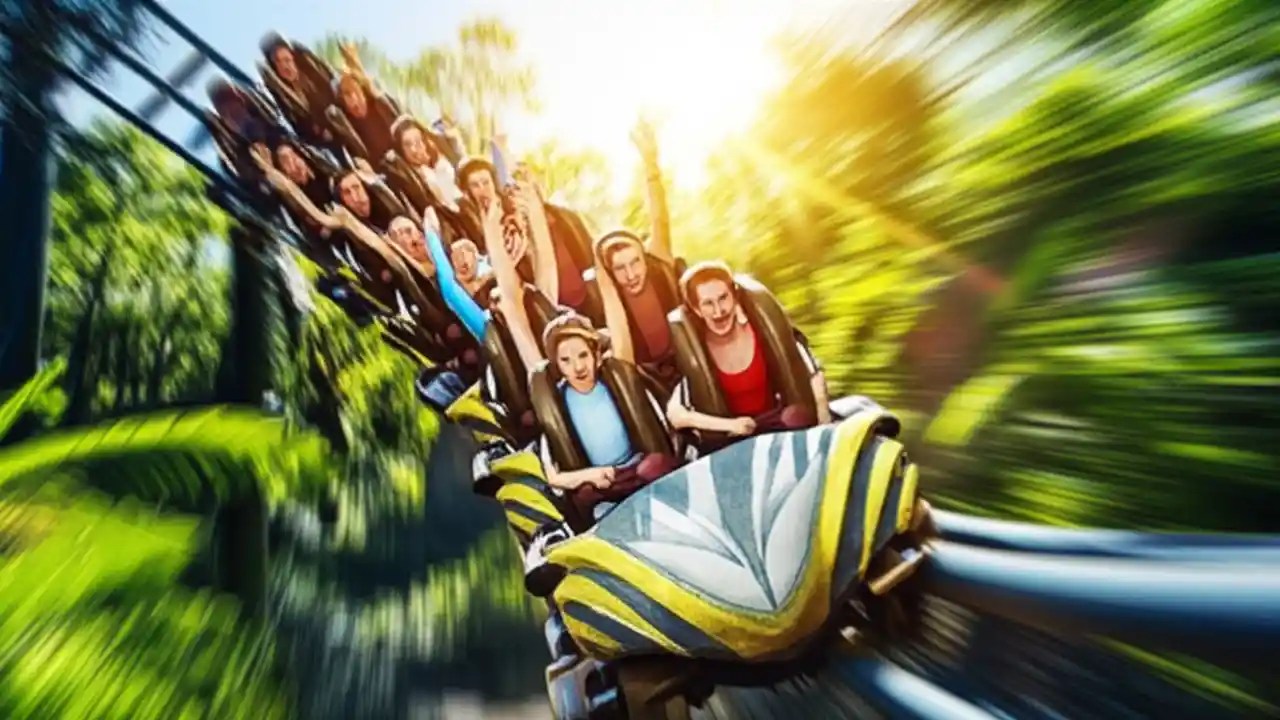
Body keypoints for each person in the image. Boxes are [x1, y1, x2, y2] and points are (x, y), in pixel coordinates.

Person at [666, 261, 832, 445]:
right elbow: (676, 415)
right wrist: (730, 425)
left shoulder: (764, 330)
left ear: (735, 296)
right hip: (735, 441)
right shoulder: (697, 354)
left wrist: (823, 420)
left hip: (777, 424)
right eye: (708, 304)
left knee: (796, 417)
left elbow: (814, 373)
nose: (719, 311)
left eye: (723, 298)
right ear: (696, 309)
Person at [592, 120, 682, 392]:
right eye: (620, 268)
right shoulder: (611, 298)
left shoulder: (659, 263)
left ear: (644, 258)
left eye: (634, 263)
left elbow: (659, 218)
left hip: (688, 356)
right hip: (650, 377)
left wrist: (651, 164)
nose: (631, 275)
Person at [258, 33, 336, 149]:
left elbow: (332, 91)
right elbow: (300, 129)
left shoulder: (315, 74)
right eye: (278, 63)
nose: (285, 66)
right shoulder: (285, 99)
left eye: (286, 60)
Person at [328, 43, 399, 163]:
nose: (354, 99)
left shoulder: (382, 106)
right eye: (347, 94)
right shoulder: (346, 128)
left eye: (356, 91)